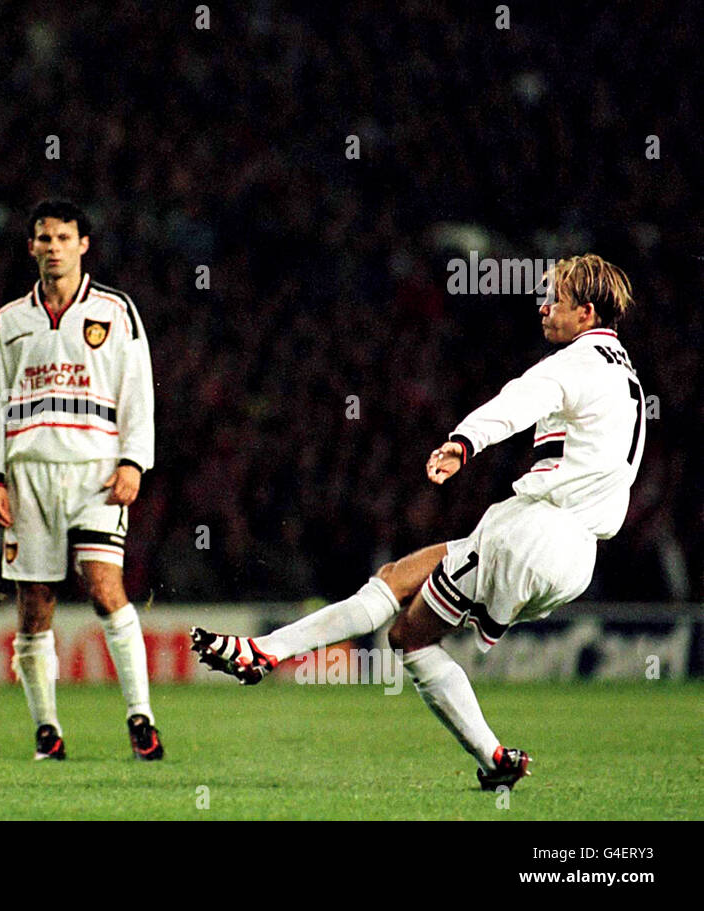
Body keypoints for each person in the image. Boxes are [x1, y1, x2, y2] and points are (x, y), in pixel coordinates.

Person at [192, 254, 642, 790]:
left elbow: (517, 401)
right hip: (574, 554)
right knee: (395, 579)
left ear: (586, 311)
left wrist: (462, 441)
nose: (541, 307)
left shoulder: (576, 363)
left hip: (535, 530)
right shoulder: (625, 374)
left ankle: (266, 652)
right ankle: (265, 652)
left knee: (409, 637)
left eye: (553, 299)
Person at [0, 200, 161, 760]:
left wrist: (134, 461)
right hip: (29, 474)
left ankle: (141, 719)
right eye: (43, 238)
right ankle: (47, 731)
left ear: (84, 245)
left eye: (63, 237)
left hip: (95, 471)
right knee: (34, 604)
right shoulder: (12, 319)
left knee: (105, 588)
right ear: (31, 247)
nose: (52, 246)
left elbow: (139, 388)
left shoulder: (115, 309)